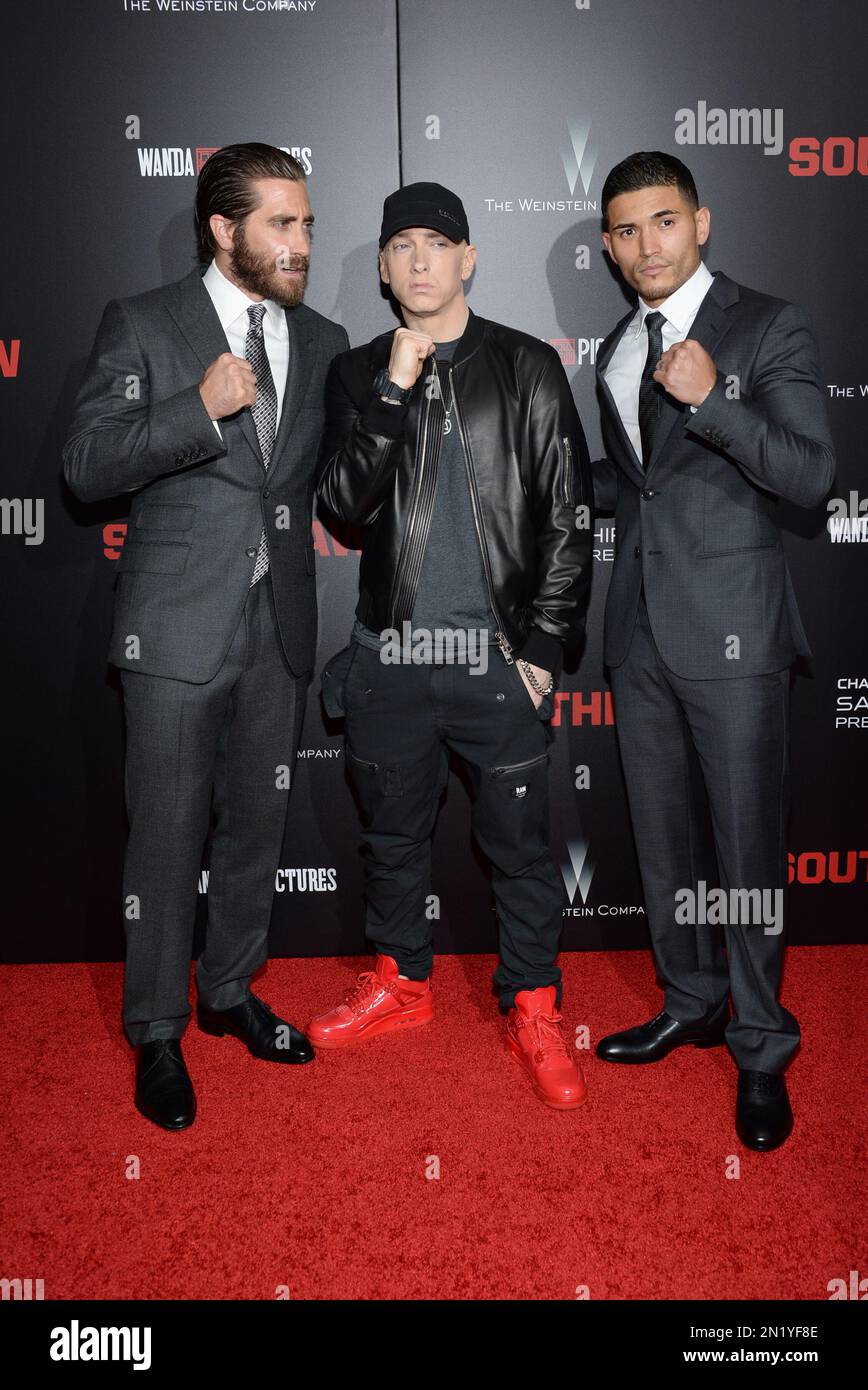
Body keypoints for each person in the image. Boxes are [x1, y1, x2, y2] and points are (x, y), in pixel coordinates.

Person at [62, 142, 348, 1130]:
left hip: (279, 625)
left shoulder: (323, 338)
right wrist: (198, 408)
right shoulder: (144, 323)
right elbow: (89, 462)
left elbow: (329, 484)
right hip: (175, 629)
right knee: (165, 836)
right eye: (281, 222)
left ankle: (229, 990)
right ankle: (156, 1028)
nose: (301, 241)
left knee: (254, 830)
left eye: (307, 222)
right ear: (223, 229)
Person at [309, 182, 594, 1110]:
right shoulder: (356, 373)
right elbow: (344, 506)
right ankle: (401, 984)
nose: (421, 260)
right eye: (403, 245)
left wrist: (544, 649)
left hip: (496, 659)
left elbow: (566, 516)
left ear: (468, 258)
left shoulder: (525, 367)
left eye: (439, 243)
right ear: (385, 267)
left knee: (519, 847)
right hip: (390, 656)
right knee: (392, 838)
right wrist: (392, 389)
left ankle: (536, 1004)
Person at [592, 151, 835, 1149]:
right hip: (639, 634)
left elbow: (811, 474)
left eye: (660, 222)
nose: (642, 246)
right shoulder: (610, 346)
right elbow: (633, 490)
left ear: (700, 222)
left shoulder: (765, 323)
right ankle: (689, 998)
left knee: (741, 855)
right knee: (665, 845)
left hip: (733, 633)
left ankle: (762, 1045)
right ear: (607, 245)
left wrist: (713, 400)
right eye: (623, 231)